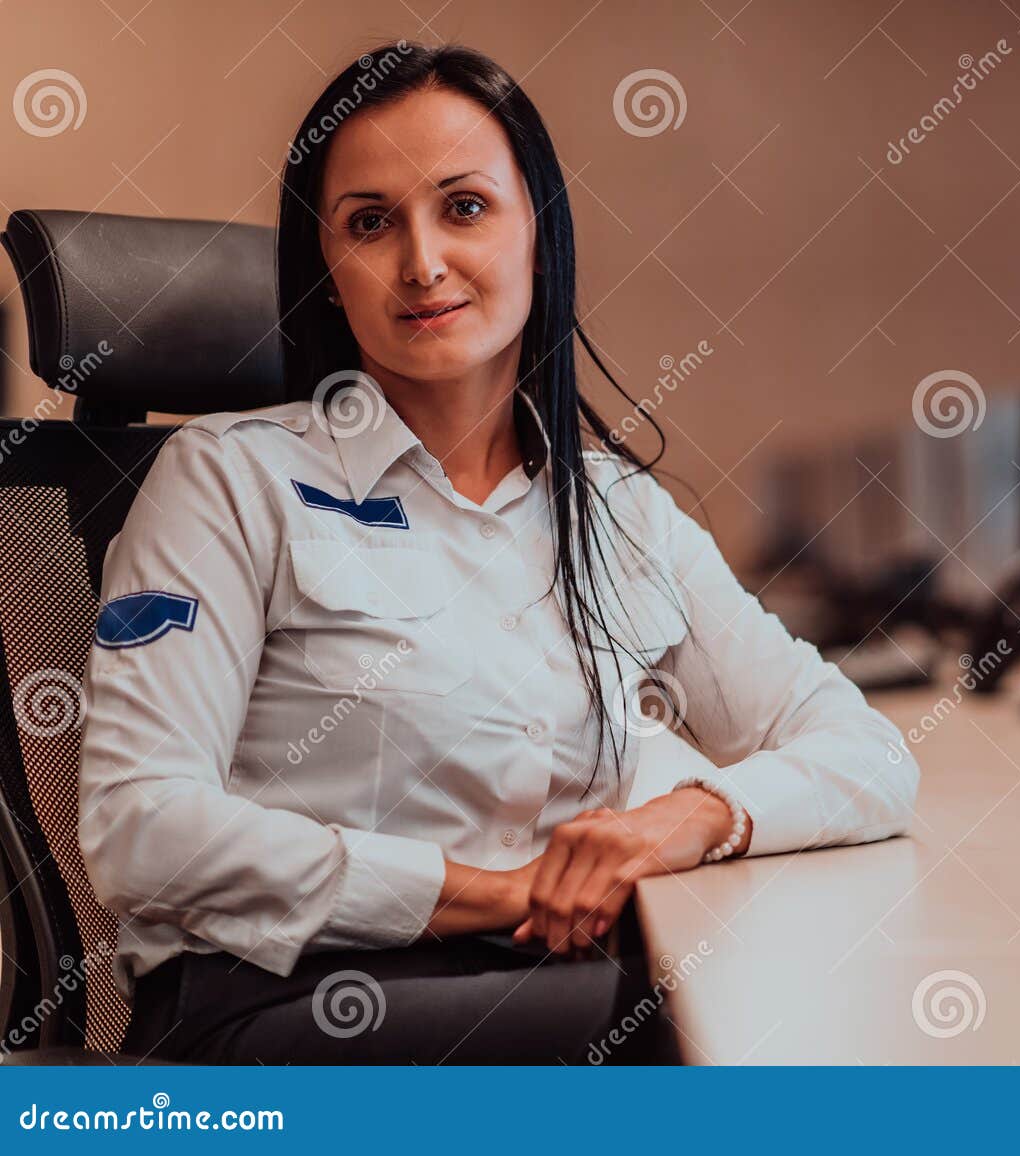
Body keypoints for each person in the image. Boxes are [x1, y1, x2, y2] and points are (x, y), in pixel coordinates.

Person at [77, 40, 919, 1064]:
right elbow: (140, 831)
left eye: (463, 207)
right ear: (328, 273)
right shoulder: (228, 479)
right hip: (282, 1007)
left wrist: (688, 819)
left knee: (763, 991)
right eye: (370, 223)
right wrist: (496, 891)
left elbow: (868, 755)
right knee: (720, 1031)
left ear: (539, 235)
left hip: (539, 989)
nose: (422, 261)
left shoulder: (612, 512)